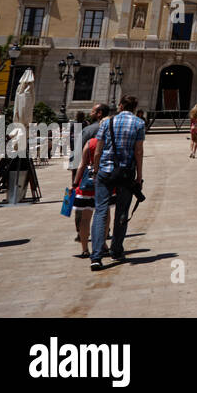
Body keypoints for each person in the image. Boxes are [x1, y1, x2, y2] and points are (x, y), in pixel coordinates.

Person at [89, 94, 145, 271]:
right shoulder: (139, 123)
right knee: (122, 211)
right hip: (126, 173)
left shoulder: (106, 123)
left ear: (120, 106)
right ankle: (116, 250)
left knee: (101, 212)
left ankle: (96, 256)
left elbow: (98, 150)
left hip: (105, 171)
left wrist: (96, 170)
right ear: (135, 107)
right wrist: (139, 176)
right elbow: (139, 151)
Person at [72, 134, 110, 258]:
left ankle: (84, 249)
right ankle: (102, 244)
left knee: (85, 218)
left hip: (87, 185)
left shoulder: (90, 143)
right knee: (105, 216)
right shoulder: (109, 142)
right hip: (103, 182)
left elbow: (82, 164)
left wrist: (75, 183)